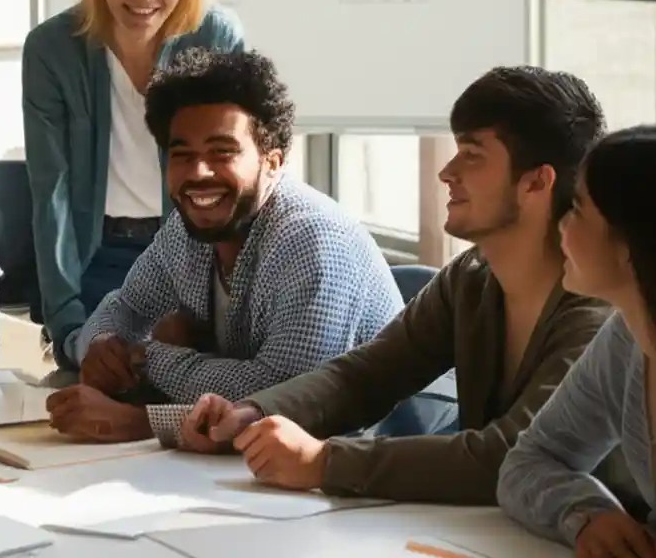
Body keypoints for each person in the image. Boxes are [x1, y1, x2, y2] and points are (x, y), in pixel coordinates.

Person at [179, 66, 629, 507]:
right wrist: (252, 415)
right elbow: (366, 375)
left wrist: (326, 463)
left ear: (536, 182)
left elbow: (510, 455)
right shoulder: (472, 277)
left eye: (472, 155)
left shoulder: (598, 312)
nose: (447, 172)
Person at [45, 49, 402, 443]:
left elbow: (286, 396)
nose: (198, 173)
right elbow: (126, 306)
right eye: (182, 155)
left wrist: (147, 365)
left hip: (376, 462)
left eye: (222, 153)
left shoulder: (312, 242)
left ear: (273, 162)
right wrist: (102, 346)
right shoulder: (188, 229)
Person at [498, 124, 656, 558]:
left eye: (577, 209)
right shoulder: (625, 341)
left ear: (632, 243)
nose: (561, 224)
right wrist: (586, 515)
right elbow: (528, 461)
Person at [23, 0, 245, 369]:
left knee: (181, 393)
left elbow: (238, 172)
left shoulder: (216, 36)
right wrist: (68, 325)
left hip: (193, 253)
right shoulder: (51, 49)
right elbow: (50, 192)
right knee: (100, 391)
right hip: (96, 258)